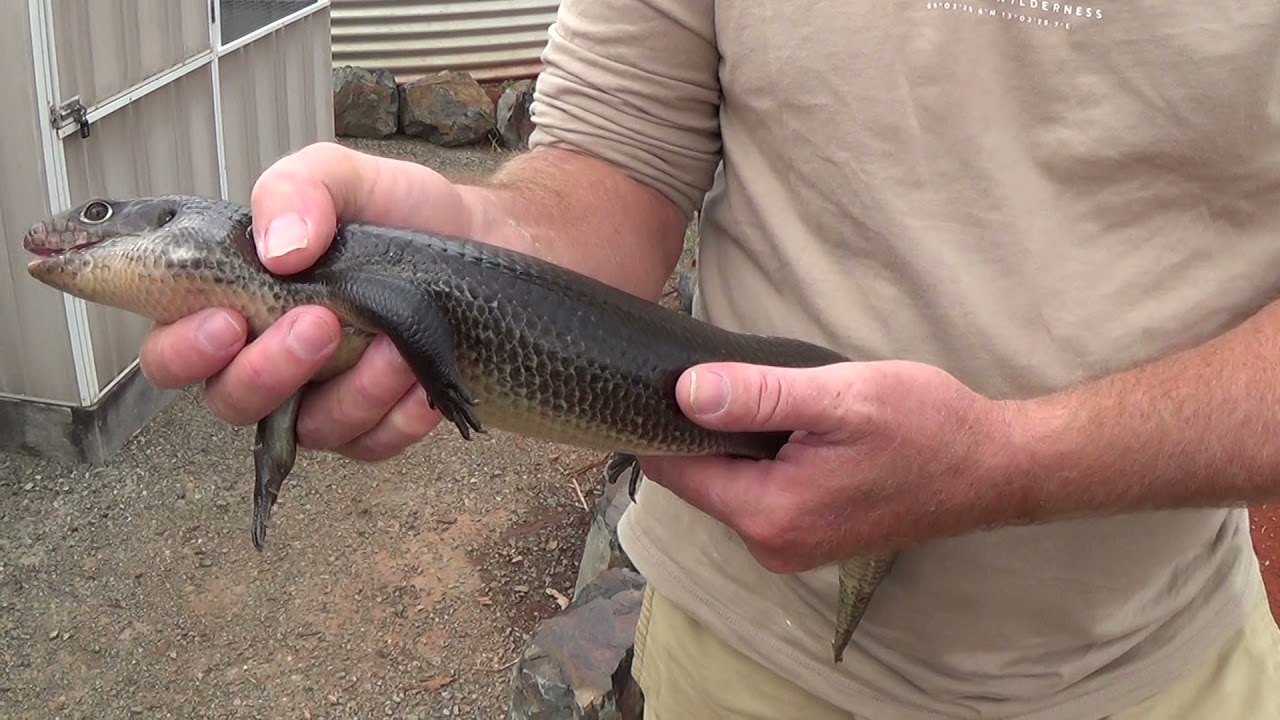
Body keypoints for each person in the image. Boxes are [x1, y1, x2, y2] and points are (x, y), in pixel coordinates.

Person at [138, 1, 1280, 717]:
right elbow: (611, 169)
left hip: (1164, 676)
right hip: (731, 662)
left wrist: (1010, 463)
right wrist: (466, 242)